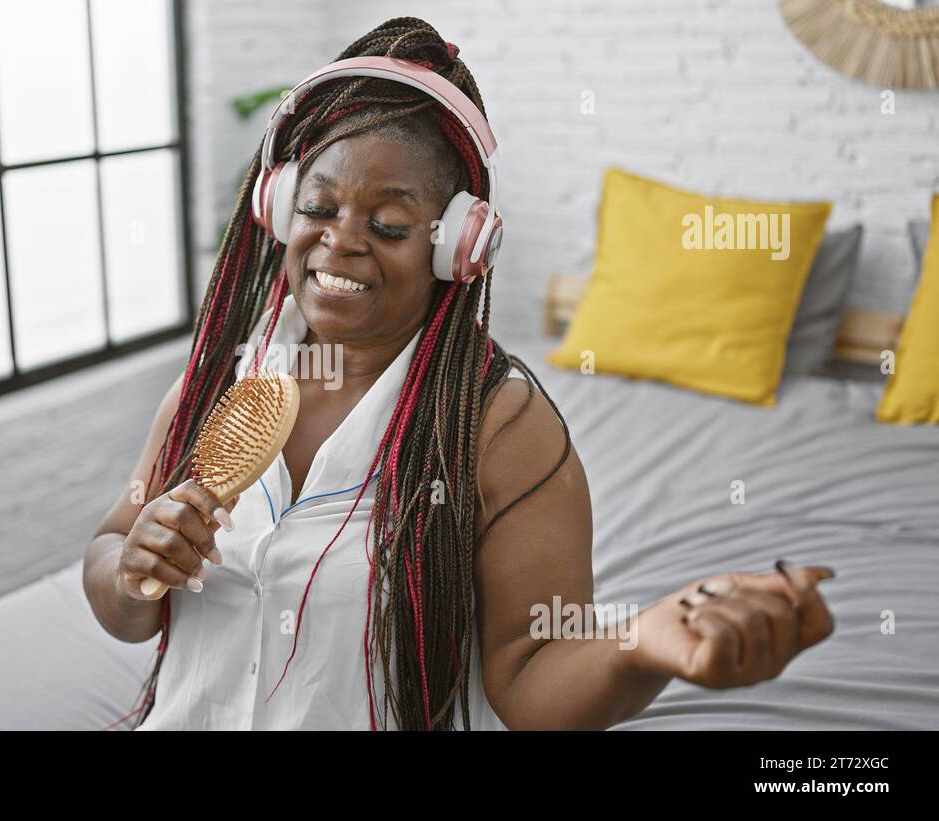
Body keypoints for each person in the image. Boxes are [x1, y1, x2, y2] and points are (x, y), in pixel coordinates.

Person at [82, 16, 835, 730]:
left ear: (459, 247)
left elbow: (531, 679)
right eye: (317, 205)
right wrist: (129, 568)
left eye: (387, 225)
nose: (339, 241)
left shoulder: (499, 426)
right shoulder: (215, 389)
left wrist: (647, 640)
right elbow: (115, 566)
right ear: (278, 208)